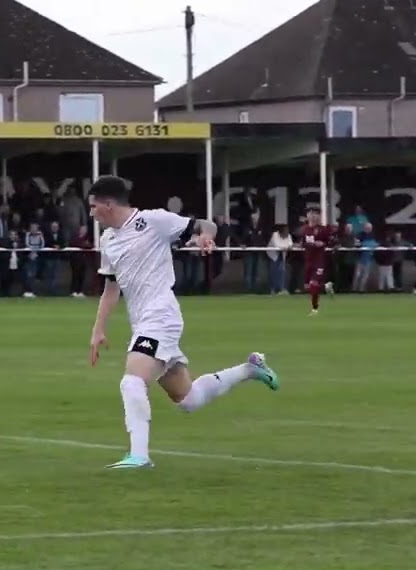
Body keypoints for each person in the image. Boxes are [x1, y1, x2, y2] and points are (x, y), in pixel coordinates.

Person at [86, 176, 278, 470]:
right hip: (143, 322)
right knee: (188, 399)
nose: (91, 213)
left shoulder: (153, 221)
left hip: (161, 316)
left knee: (132, 380)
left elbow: (205, 224)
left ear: (108, 204)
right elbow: (111, 289)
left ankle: (139, 455)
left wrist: (205, 236)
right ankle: (250, 368)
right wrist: (98, 329)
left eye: (93, 206)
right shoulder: (107, 240)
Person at [301, 209, 335, 315]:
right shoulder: (304, 229)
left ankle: (314, 309)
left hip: (319, 261)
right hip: (308, 261)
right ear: (308, 216)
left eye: (316, 215)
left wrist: (324, 244)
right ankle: (325, 287)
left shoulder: (323, 230)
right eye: (312, 215)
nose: (314, 217)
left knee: (313, 284)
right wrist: (312, 244)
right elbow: (303, 243)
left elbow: (333, 242)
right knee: (308, 287)